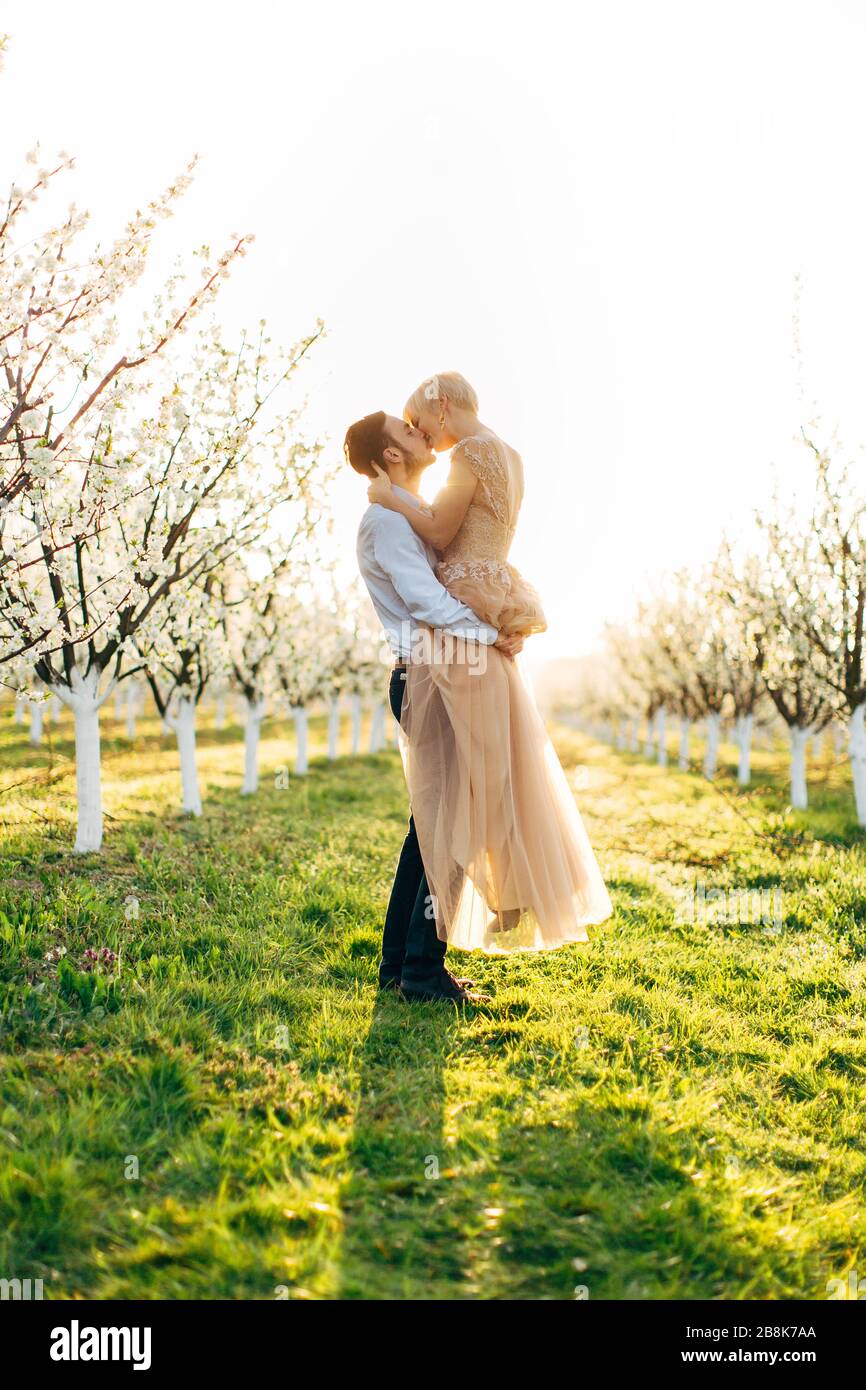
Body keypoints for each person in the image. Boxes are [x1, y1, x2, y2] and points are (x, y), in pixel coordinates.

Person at [365, 371, 613, 954]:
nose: (424, 434)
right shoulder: (513, 456)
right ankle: (418, 956)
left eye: (420, 420)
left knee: (456, 798)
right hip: (472, 626)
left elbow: (441, 527)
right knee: (459, 796)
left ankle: (432, 950)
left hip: (460, 636)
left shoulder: (469, 454)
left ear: (442, 405)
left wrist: (391, 495)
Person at [344, 409, 522, 1003]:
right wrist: (488, 632)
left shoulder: (400, 516)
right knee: (447, 826)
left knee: (429, 826)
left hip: (432, 674)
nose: (422, 433)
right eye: (408, 431)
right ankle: (422, 969)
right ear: (391, 456)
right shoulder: (389, 526)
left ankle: (401, 963)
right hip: (429, 675)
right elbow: (424, 602)